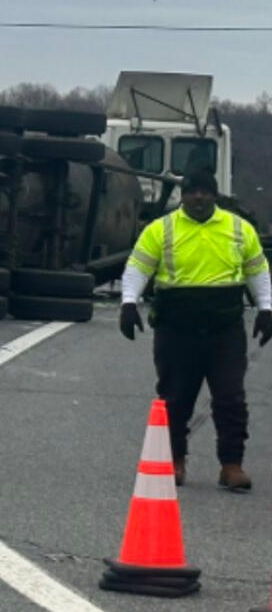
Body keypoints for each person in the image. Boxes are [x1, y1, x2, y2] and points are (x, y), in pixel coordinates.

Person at [120, 167, 272, 491]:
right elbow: (138, 266)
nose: (198, 197)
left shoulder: (238, 228)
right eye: (192, 191)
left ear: (215, 195)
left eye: (205, 191)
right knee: (175, 397)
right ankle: (175, 460)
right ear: (183, 195)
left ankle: (231, 465)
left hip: (224, 328)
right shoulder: (162, 229)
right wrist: (128, 303)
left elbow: (257, 269)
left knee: (230, 397)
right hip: (177, 327)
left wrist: (266, 308)